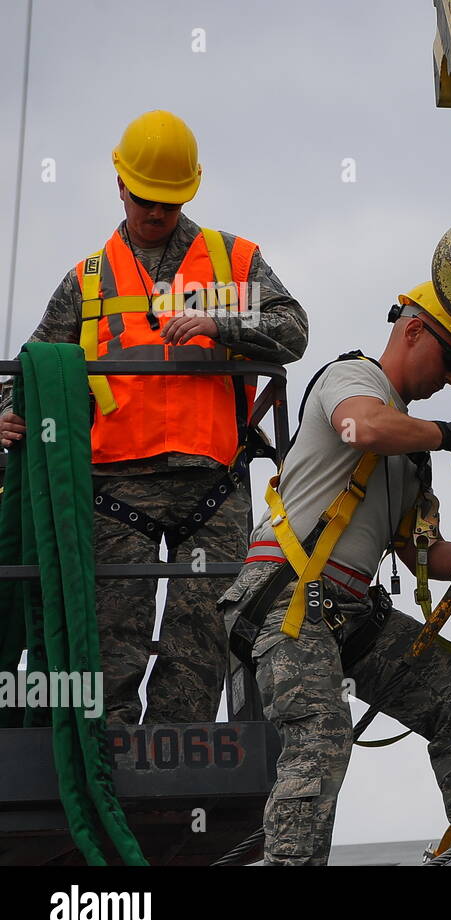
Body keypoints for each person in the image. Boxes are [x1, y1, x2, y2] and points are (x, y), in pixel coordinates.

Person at [0, 110, 307, 725]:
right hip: (117, 486)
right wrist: (6, 413)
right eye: (145, 200)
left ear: (188, 192)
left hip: (212, 482)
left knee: (202, 636)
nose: (156, 214)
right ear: (120, 185)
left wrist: (224, 324)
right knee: (113, 635)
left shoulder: (233, 262)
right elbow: (30, 369)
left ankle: (178, 755)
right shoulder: (85, 280)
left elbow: (293, 331)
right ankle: (110, 757)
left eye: (168, 202)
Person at [220, 282, 451, 865]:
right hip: (289, 598)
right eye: (450, 359)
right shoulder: (353, 381)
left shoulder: (409, 451)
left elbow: (418, 551)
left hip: (350, 613)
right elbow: (362, 429)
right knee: (321, 736)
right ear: (411, 331)